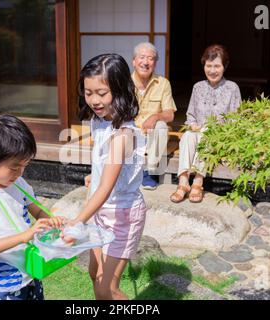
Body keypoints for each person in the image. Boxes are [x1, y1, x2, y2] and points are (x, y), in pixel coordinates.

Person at [63, 53, 147, 300]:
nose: (94, 100)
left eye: (102, 93)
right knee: (94, 274)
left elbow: (107, 188)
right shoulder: (98, 121)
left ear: (119, 90)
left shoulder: (124, 135)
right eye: (88, 93)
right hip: (100, 212)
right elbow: (102, 161)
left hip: (123, 215)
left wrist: (77, 221)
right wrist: (94, 174)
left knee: (106, 289)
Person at [0, 114, 65, 300]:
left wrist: (51, 220)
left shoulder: (18, 184)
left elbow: (38, 211)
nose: (20, 173)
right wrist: (23, 236)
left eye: (24, 166)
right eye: (14, 167)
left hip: (31, 276)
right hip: (3, 287)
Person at [170, 44, 241, 203]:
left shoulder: (232, 88)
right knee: (188, 135)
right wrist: (193, 125)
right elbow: (190, 115)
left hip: (219, 139)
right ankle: (183, 183)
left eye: (217, 66)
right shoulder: (198, 87)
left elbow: (236, 121)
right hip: (197, 134)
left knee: (207, 132)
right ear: (204, 66)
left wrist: (214, 129)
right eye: (209, 66)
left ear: (225, 66)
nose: (212, 70)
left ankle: (197, 182)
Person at [131, 42, 177, 190]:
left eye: (150, 58)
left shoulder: (163, 83)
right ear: (134, 61)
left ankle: (149, 171)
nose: (145, 62)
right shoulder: (125, 83)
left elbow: (170, 115)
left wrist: (155, 117)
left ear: (155, 63)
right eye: (142, 57)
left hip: (153, 134)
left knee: (162, 126)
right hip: (132, 132)